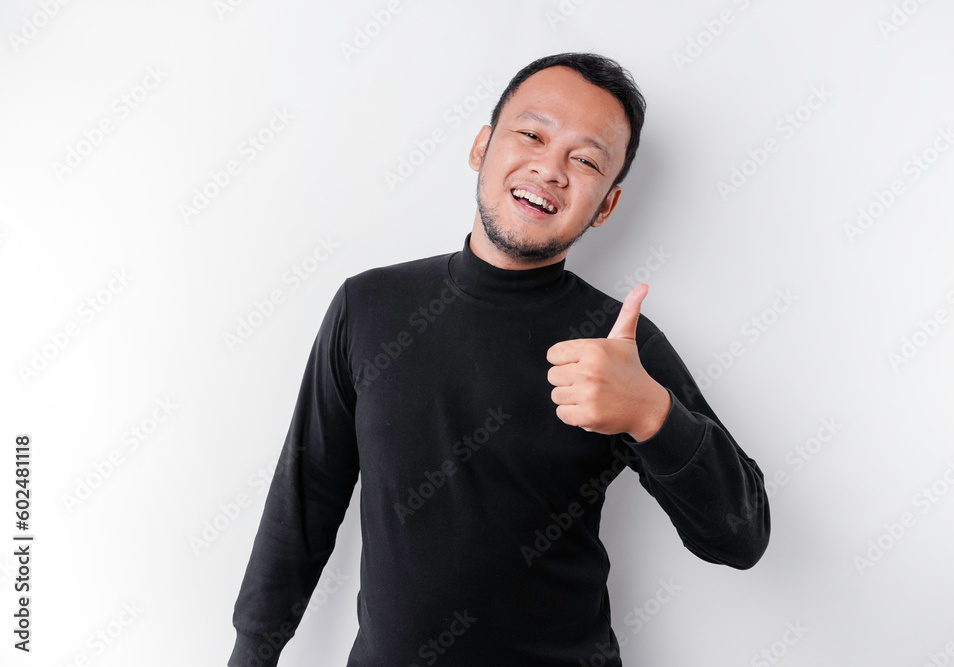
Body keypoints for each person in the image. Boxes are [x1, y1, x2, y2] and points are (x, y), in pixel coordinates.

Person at [228, 52, 769, 667]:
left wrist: (652, 414)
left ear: (607, 206)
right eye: (532, 134)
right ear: (482, 146)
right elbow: (305, 499)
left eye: (586, 160)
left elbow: (741, 537)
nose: (551, 168)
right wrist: (253, 652)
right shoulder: (369, 306)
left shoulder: (619, 348)